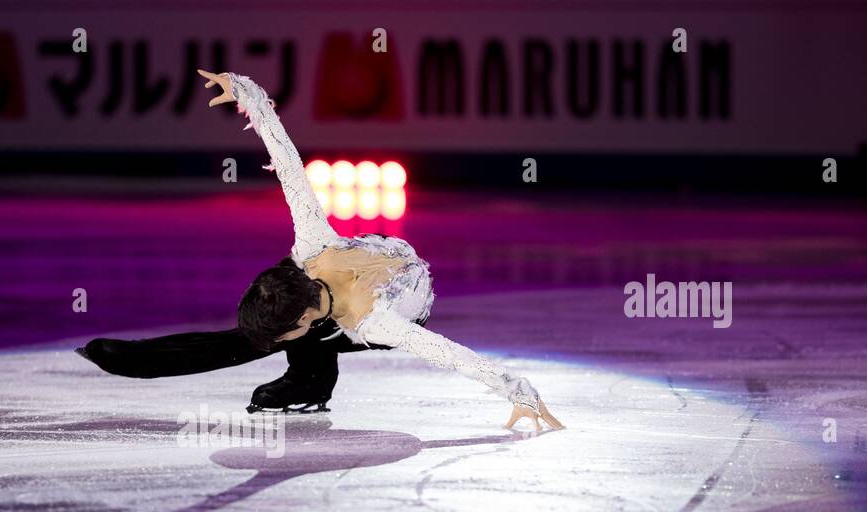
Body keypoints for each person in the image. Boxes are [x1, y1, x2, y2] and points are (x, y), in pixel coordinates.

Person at [78, 69, 563, 431]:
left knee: (264, 342)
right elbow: (287, 160)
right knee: (261, 328)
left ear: (308, 318)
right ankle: (142, 359)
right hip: (337, 275)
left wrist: (520, 393)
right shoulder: (312, 245)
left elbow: (451, 354)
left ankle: (307, 382)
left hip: (398, 298)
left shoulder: (376, 322)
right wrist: (245, 92)